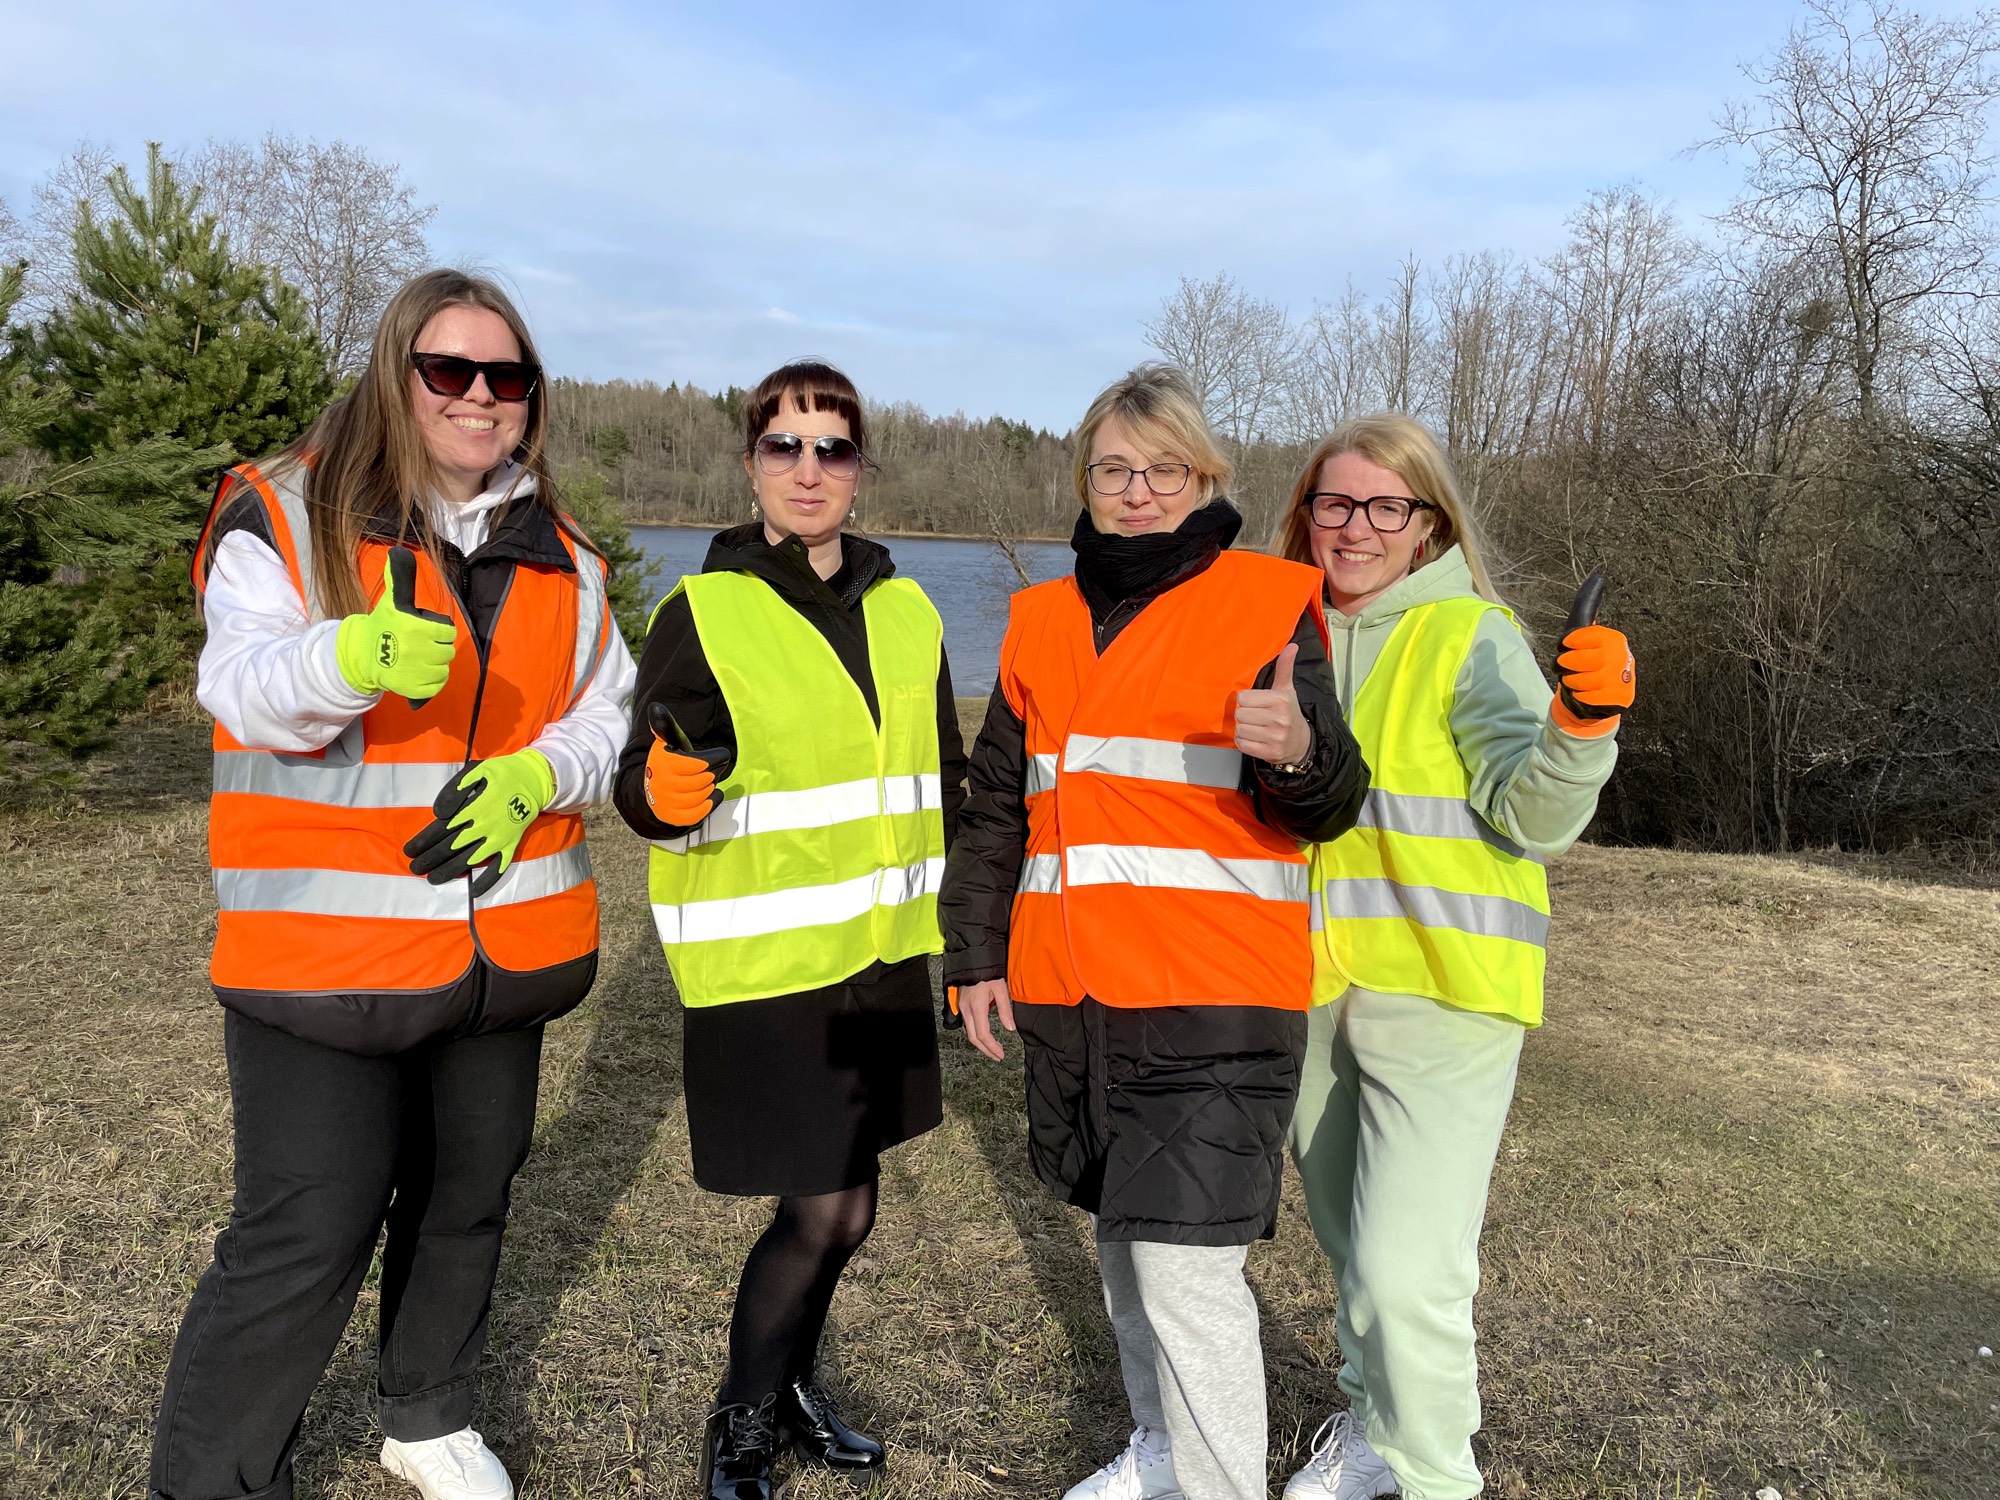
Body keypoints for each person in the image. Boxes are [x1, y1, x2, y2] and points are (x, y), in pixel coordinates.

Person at [153, 269, 636, 1500]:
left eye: (505, 377)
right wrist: (346, 656)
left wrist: (539, 775)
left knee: (467, 1197)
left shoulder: (564, 558)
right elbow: (241, 684)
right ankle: (210, 1480)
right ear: (395, 376)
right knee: (306, 1230)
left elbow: (606, 715)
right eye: (448, 372)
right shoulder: (287, 508)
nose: (479, 398)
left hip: (500, 955)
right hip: (324, 957)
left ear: (531, 399)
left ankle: (426, 1416)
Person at [942, 364, 1369, 1500]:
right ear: (1084, 480)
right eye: (1113, 470)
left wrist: (1298, 752)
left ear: (1205, 478)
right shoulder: (1037, 621)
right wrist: (975, 954)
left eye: (1162, 470)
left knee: (1185, 1275)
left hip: (1213, 998)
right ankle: (1160, 1455)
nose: (1136, 491)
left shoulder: (1266, 602)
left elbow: (1327, 803)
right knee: (1128, 1255)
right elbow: (997, 806)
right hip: (1069, 993)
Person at [613, 359, 967, 1500]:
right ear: (750, 462)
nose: (807, 469)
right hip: (769, 966)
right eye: (784, 446)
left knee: (851, 1205)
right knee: (820, 1207)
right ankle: (741, 1420)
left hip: (881, 961)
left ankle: (796, 1388)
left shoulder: (908, 610)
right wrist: (655, 799)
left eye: (832, 447)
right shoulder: (703, 608)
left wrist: (969, 942)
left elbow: (942, 782)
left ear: (861, 468)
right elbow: (644, 776)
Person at [1269, 414, 1632, 1500]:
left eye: (1386, 506)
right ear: (1304, 514)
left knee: (1405, 1271)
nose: (1356, 527)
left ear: (1425, 523)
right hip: (1308, 988)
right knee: (1347, 1244)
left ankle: (1434, 1479)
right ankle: (1372, 1426)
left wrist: (1580, 725)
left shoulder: (1467, 634)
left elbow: (1530, 814)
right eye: (1334, 503)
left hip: (1444, 991)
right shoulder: (1277, 634)